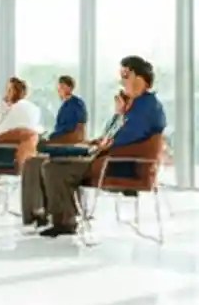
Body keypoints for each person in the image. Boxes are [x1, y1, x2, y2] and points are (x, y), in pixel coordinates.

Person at [40, 58, 167, 238]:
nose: (122, 81)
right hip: (110, 158)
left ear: (140, 78)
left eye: (125, 75)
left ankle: (65, 222)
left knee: (53, 167)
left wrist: (102, 144)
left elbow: (120, 139)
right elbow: (111, 135)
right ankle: (65, 217)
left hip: (117, 164)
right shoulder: (137, 106)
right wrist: (118, 114)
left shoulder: (146, 107)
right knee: (54, 162)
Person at [22, 90, 130, 228]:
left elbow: (111, 145)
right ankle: (35, 212)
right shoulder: (114, 120)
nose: (116, 105)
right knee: (32, 162)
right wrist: (95, 142)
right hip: (92, 150)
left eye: (119, 102)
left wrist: (98, 147)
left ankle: (61, 217)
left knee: (52, 164)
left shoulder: (126, 122)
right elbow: (103, 139)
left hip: (94, 157)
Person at [47, 75, 88, 142]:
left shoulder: (77, 104)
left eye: (62, 86)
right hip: (61, 136)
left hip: (69, 138)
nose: (59, 89)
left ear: (70, 88)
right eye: (59, 86)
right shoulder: (64, 105)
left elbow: (77, 128)